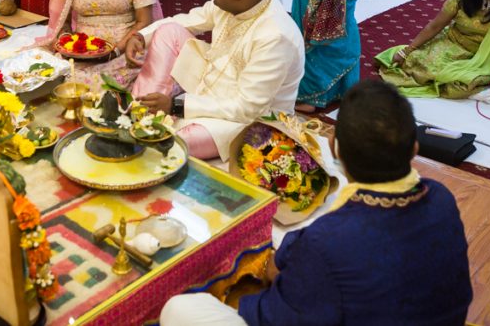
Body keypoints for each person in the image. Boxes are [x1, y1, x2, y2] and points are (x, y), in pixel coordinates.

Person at [159, 80, 473, 326]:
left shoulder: (330, 239)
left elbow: (276, 316)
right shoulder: (442, 198)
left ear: (334, 148)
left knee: (181, 310)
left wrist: (248, 299)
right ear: (414, 148)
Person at [126, 0, 303, 160]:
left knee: (174, 141)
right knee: (168, 32)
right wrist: (141, 36)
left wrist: (177, 106)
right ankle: (140, 109)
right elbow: (184, 20)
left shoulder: (275, 37)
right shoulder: (232, 5)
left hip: (248, 118)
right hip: (208, 85)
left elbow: (246, 108)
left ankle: (160, 123)